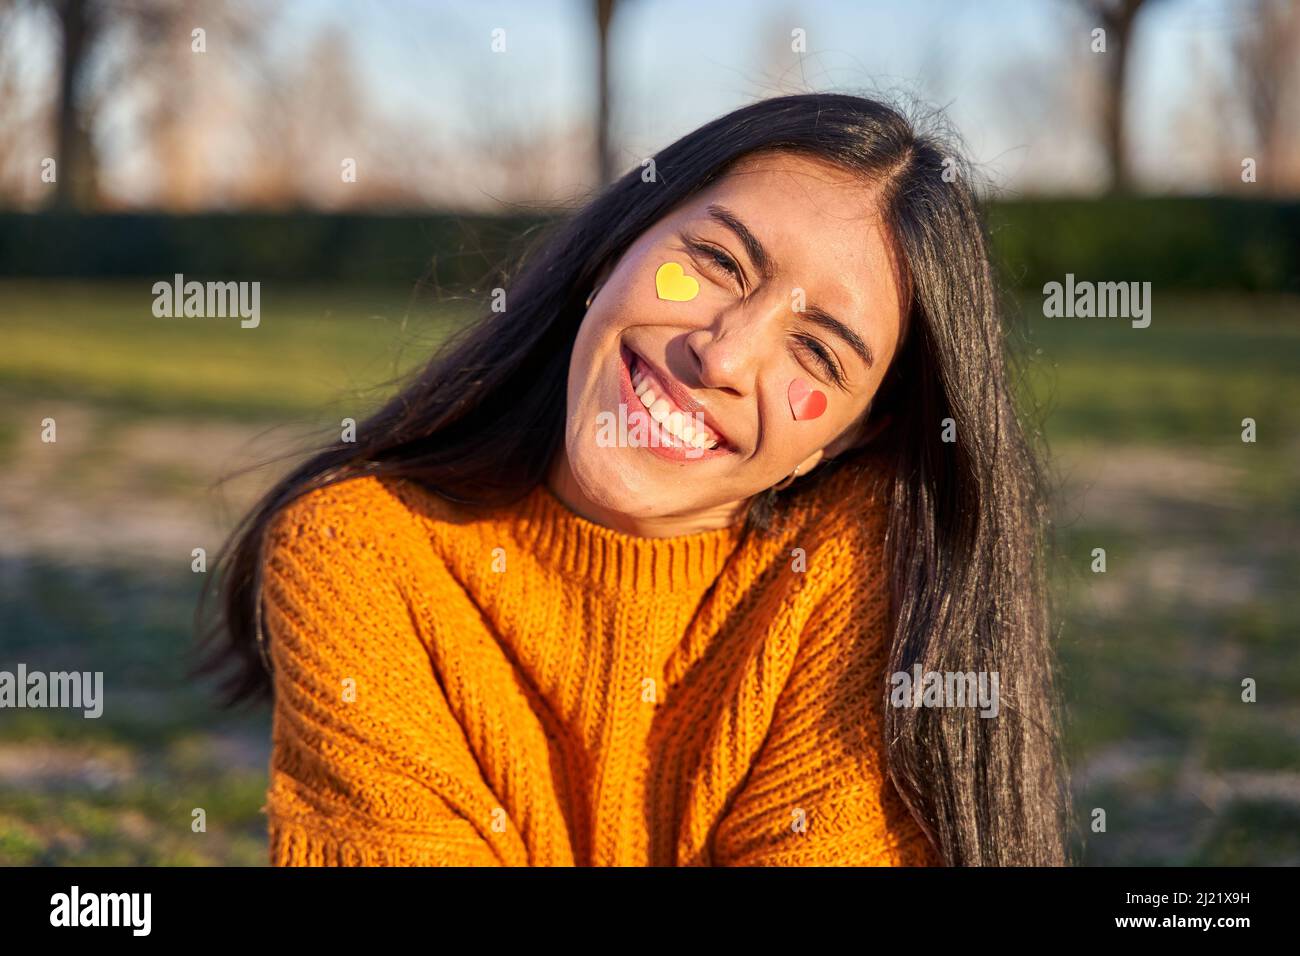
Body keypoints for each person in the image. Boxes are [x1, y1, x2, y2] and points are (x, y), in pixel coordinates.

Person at [194, 92, 1070, 867]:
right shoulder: (359, 550)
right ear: (620, 242)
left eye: (816, 351)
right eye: (721, 263)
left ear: (847, 438)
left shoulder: (863, 566)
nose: (723, 355)